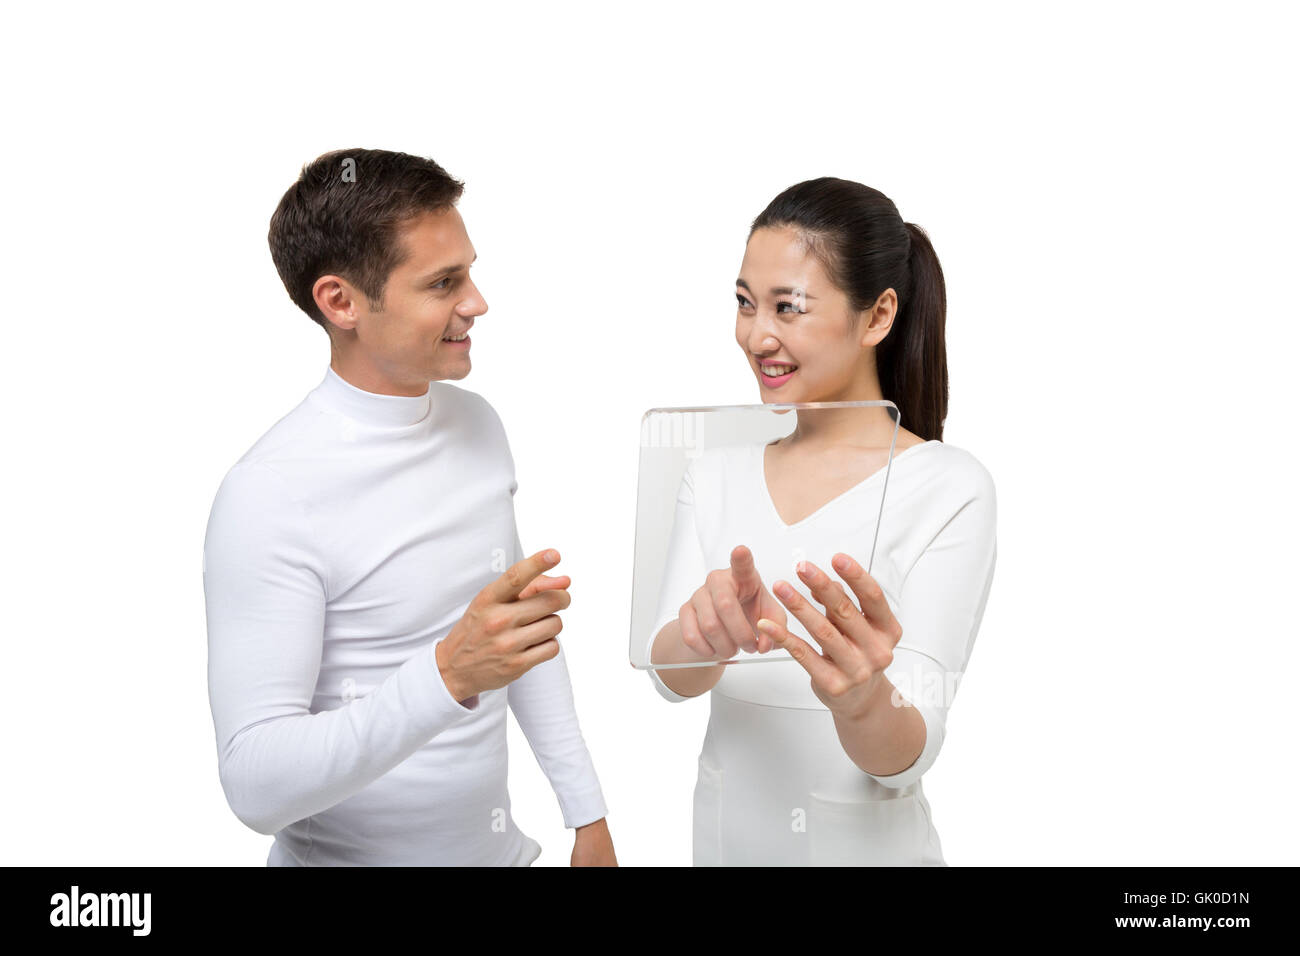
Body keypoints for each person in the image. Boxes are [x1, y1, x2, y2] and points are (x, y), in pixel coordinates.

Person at [202, 148, 616, 866]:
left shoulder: (479, 426)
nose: (476, 302)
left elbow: (517, 639)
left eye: (470, 271)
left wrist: (586, 814)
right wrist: (448, 674)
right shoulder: (268, 494)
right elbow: (253, 785)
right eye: (442, 283)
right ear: (341, 302)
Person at [646, 177, 997, 866]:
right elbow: (666, 675)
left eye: (789, 308)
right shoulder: (715, 472)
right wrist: (702, 638)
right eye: (746, 304)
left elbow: (908, 753)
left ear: (877, 317)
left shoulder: (948, 487)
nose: (758, 335)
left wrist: (863, 699)